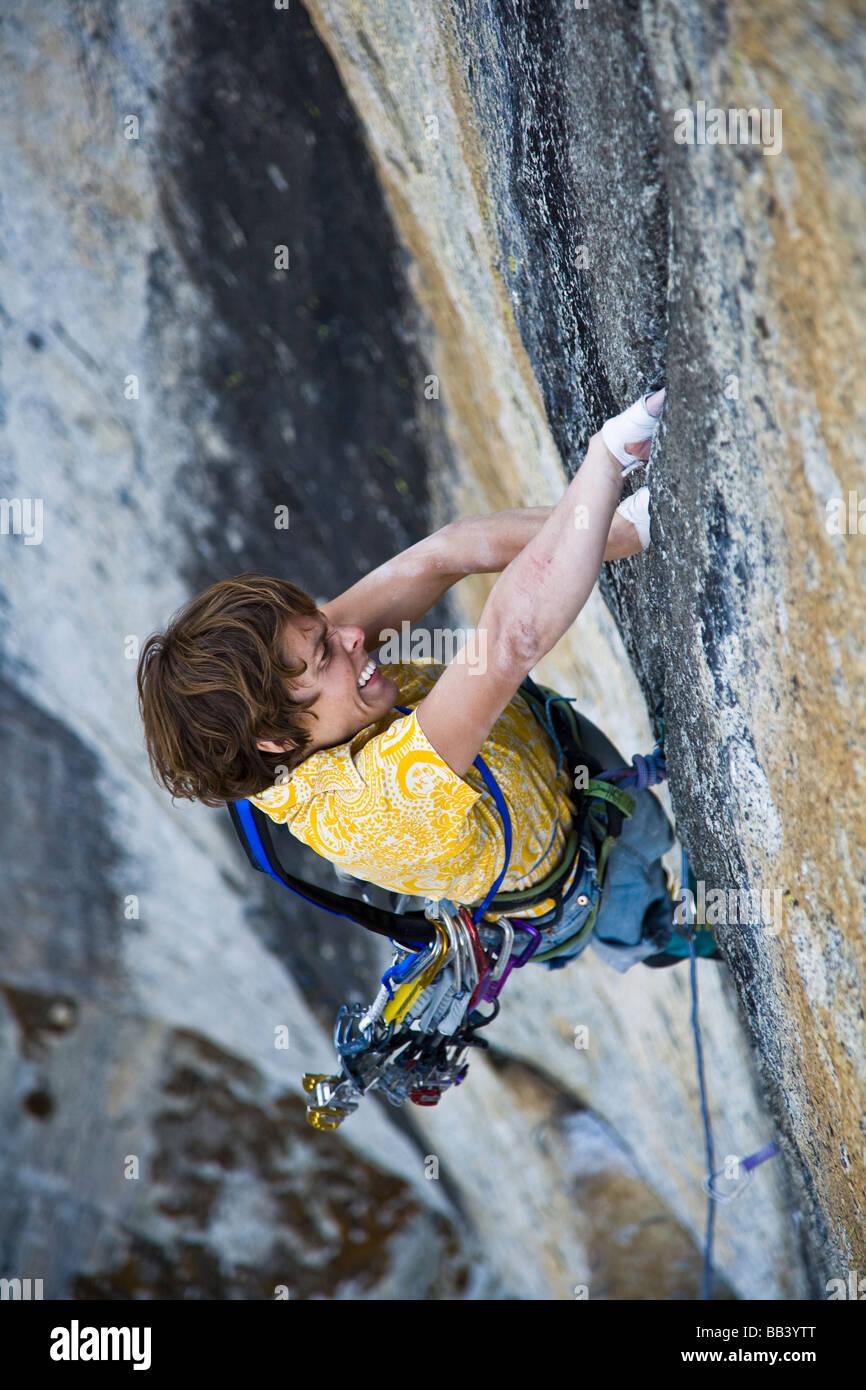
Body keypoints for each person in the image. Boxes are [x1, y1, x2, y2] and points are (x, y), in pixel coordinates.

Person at [137, 388, 711, 972]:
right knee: (644, 883)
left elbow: (441, 555)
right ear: (278, 741)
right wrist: (606, 459)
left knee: (627, 800)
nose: (351, 635)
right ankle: (663, 931)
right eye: (324, 654)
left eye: (320, 625)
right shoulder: (374, 808)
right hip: (584, 871)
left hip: (544, 751)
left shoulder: (290, 692)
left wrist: (617, 529)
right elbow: (511, 640)